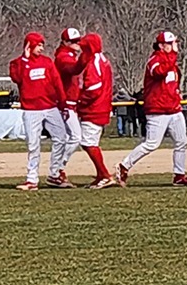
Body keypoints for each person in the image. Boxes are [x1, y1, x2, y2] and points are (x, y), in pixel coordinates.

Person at [116, 30, 187, 186]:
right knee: (151, 144)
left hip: (173, 109)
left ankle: (179, 175)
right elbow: (159, 72)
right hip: (158, 110)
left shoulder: (172, 63)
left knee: (181, 142)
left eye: (175, 43)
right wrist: (172, 57)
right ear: (161, 46)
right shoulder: (155, 60)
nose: (174, 46)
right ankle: (124, 166)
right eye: (171, 43)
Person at [9, 31, 71, 190]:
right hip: (31, 111)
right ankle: (32, 179)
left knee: (61, 138)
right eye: (38, 45)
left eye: (42, 45)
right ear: (29, 46)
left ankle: (55, 173)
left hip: (50, 107)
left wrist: (63, 103)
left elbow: (57, 82)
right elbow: (17, 78)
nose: (41, 48)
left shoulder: (47, 62)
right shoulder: (17, 63)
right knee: (33, 144)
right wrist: (25, 58)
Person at [70, 32, 117, 188]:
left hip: (94, 108)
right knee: (91, 142)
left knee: (88, 142)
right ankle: (100, 175)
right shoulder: (102, 60)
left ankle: (104, 175)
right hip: (101, 106)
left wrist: (81, 100)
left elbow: (94, 89)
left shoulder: (94, 62)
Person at [51, 27, 85, 186]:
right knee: (74, 137)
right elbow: (73, 68)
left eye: (79, 40)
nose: (77, 43)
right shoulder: (63, 56)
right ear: (65, 42)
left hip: (70, 103)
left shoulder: (70, 54)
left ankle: (57, 171)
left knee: (67, 138)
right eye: (73, 41)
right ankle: (57, 170)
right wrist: (87, 57)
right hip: (64, 104)